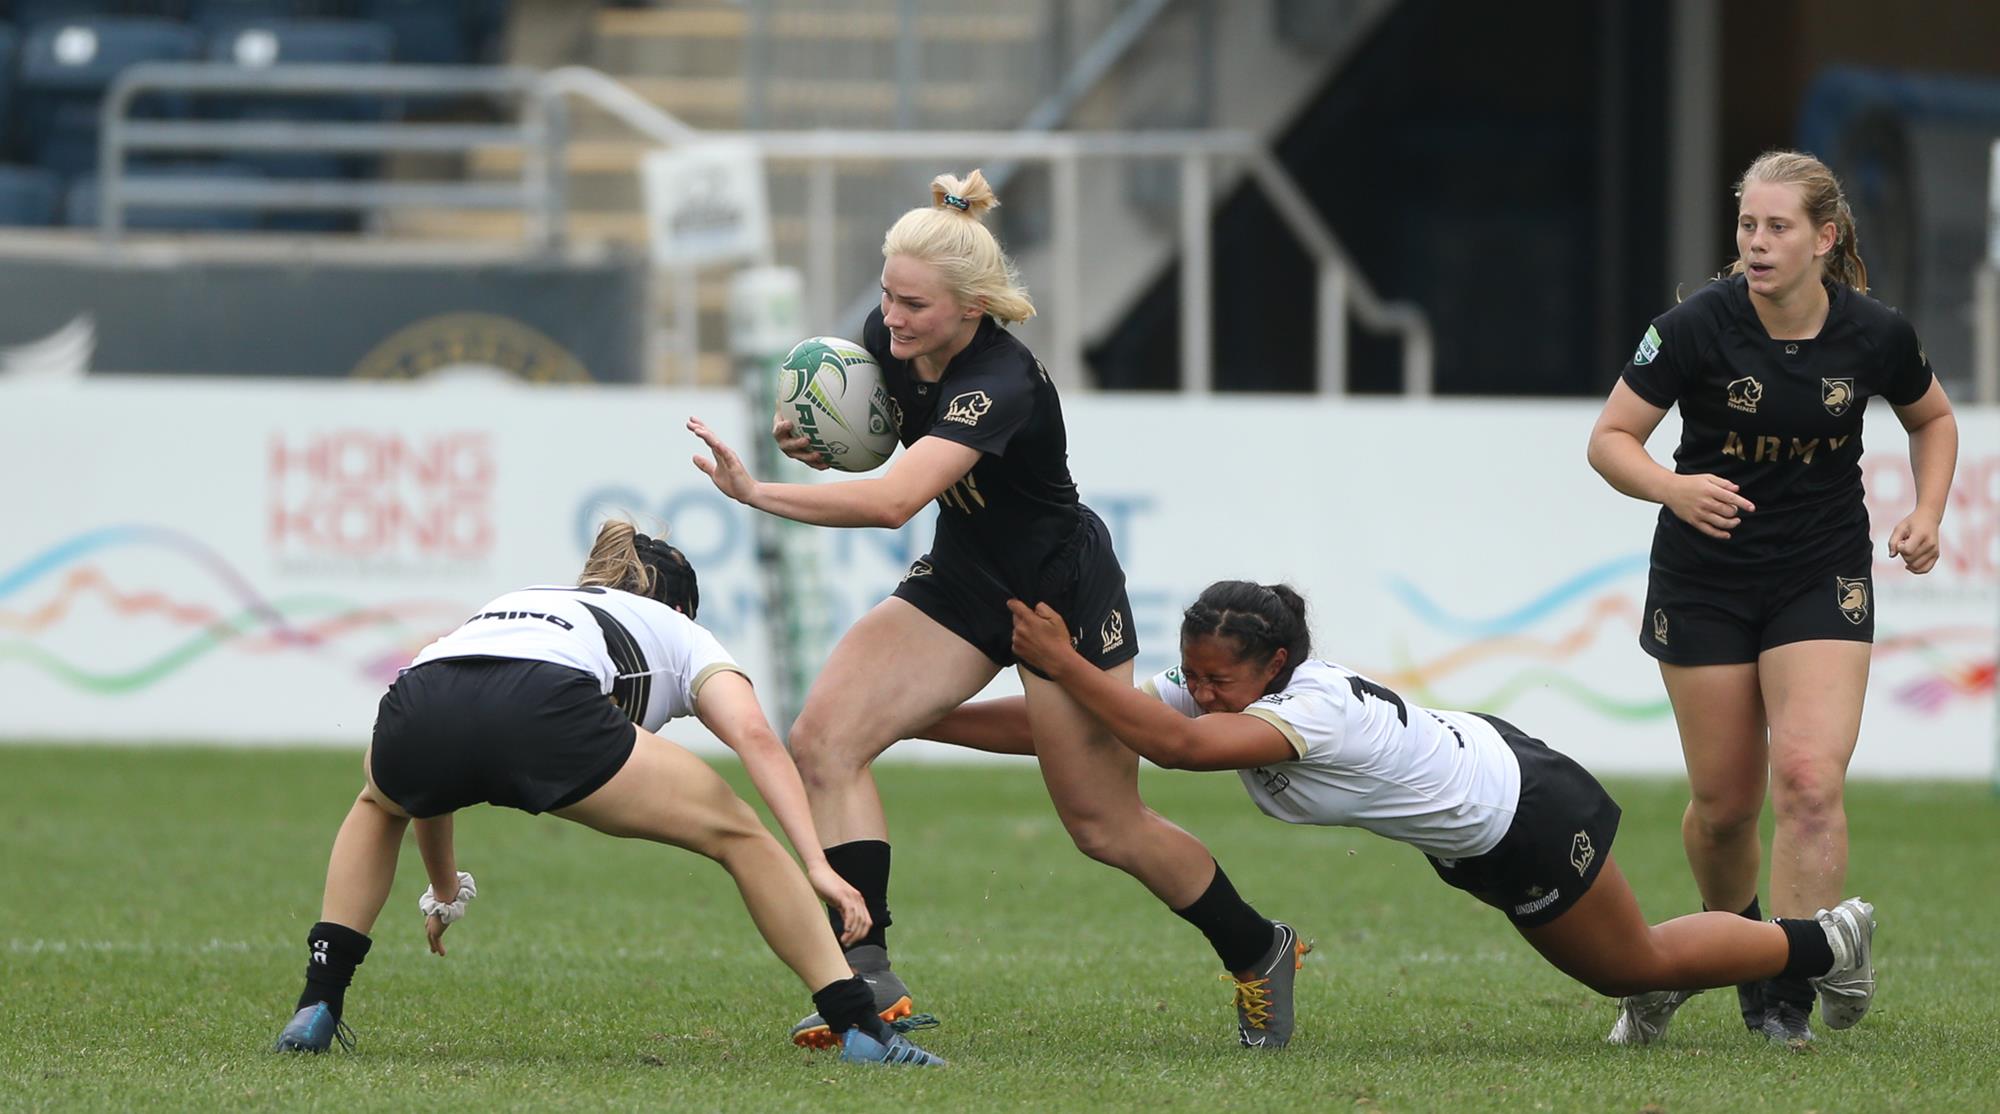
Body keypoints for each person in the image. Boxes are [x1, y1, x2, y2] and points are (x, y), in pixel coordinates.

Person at [686, 169, 1305, 1050]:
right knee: (824, 739)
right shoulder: (887, 341)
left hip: (1063, 591)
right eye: (889, 297)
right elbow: (880, 460)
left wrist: (760, 491)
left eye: (915, 307)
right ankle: (870, 982)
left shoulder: (1001, 381)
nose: (892, 320)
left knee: (1103, 825)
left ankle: (1258, 949)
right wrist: (823, 446)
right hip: (966, 575)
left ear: (973, 307)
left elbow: (895, 500)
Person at [942, 579, 1876, 1048]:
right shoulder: (1235, 689)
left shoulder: (1310, 709)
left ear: (1272, 665)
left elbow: (1172, 746)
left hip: (1527, 816)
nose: (1197, 692)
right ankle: (1682, 977)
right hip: (1487, 820)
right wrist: (929, 717)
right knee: (1625, 959)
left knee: (1631, 964)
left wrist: (1069, 663)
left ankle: (1826, 944)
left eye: (1215, 678)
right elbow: (1080, 734)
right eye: (1189, 675)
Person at [269, 521, 945, 1067]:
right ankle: (858, 1026)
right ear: (681, 605)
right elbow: (757, 740)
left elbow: (438, 770)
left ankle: (318, 1000)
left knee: (377, 801)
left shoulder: (529, 601)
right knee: (740, 835)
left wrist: (445, 891)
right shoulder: (682, 631)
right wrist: (818, 864)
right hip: (544, 707)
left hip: (419, 697)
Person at [1585, 149, 1957, 1043]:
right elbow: (1611, 440)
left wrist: (1929, 512)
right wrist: (1672, 488)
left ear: (1824, 239)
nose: (1757, 241)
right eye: (1748, 224)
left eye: (1778, 226)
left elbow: (1932, 418)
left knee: (1808, 781)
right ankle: (1748, 945)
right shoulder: (1692, 327)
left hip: (1819, 571)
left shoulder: (1875, 333)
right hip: (1704, 578)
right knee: (1723, 807)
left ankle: (1785, 994)